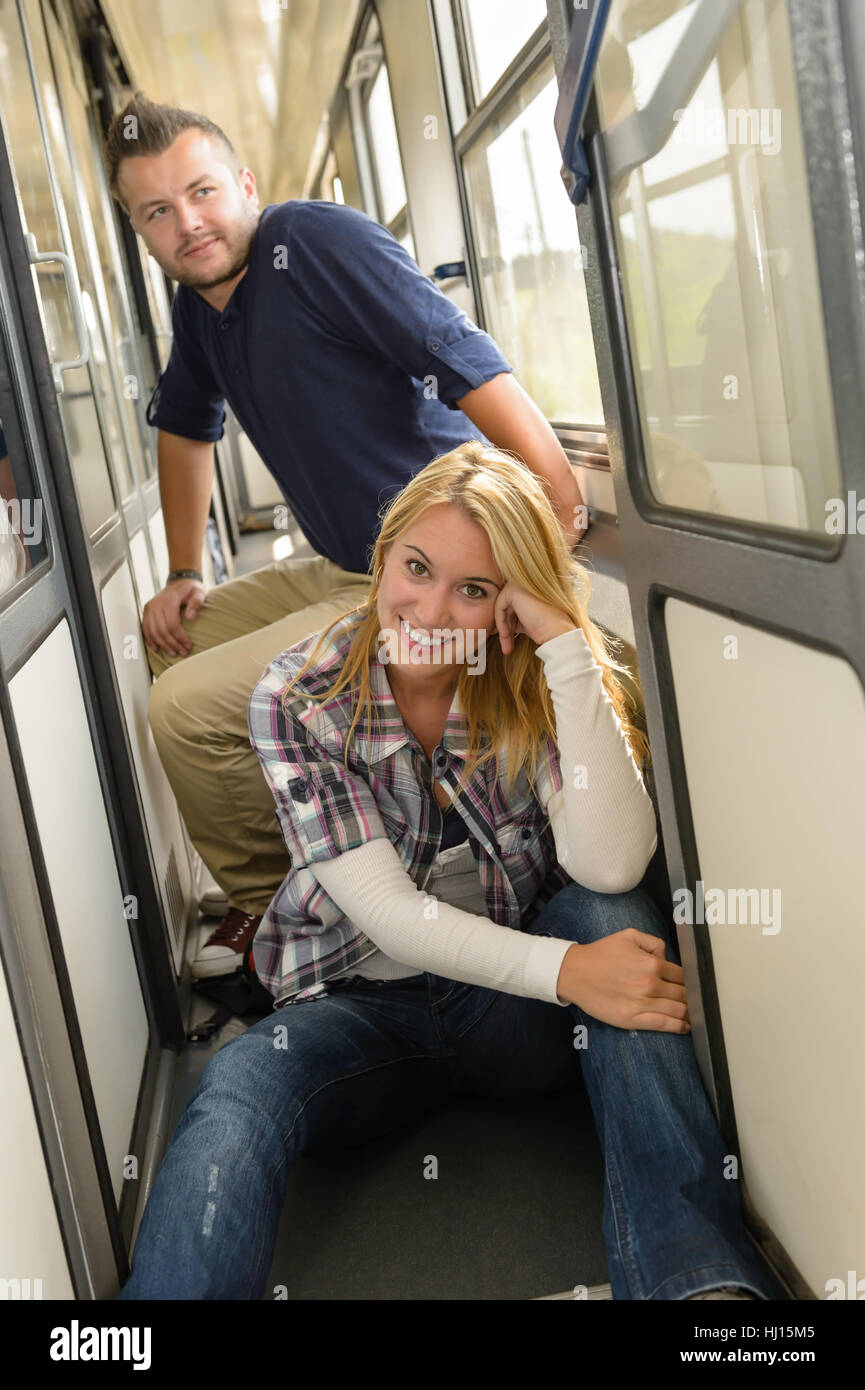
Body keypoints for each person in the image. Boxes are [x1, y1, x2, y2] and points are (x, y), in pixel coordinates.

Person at [116, 442, 786, 1301]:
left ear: (510, 599)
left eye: (473, 589)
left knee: (612, 921)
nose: (430, 609)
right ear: (382, 555)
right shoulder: (296, 696)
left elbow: (610, 862)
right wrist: (568, 970)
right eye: (417, 568)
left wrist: (563, 643)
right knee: (238, 1084)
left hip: (517, 1011)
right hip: (362, 1012)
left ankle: (699, 1294)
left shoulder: (533, 679)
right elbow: (390, 916)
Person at [103, 93, 587, 979]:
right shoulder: (198, 307)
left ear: (244, 185)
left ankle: (276, 906)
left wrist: (554, 502)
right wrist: (180, 568)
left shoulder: (312, 242)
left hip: (415, 572)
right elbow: (184, 421)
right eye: (159, 213)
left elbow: (454, 347)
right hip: (332, 563)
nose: (190, 224)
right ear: (141, 233)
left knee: (181, 715)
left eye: (203, 193)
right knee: (173, 642)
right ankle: (330, 849)